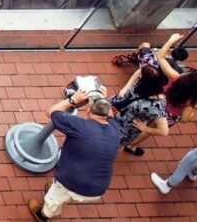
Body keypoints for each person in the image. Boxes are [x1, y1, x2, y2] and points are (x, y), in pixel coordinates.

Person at [27, 88, 119, 220]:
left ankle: (42, 215)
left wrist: (73, 100)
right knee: (67, 194)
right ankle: (62, 194)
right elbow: (108, 112)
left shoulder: (79, 126)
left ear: (88, 110)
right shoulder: (114, 128)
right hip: (98, 190)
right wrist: (102, 100)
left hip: (71, 182)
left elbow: (51, 112)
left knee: (54, 200)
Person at [111, 90, 168, 156]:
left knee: (113, 143)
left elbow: (164, 131)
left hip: (125, 127)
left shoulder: (157, 106)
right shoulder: (146, 89)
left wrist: (144, 128)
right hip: (116, 118)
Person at [156, 33, 197, 125]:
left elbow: (160, 57)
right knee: (152, 129)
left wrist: (171, 40)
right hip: (168, 116)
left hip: (158, 103)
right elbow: (184, 120)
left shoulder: (176, 78)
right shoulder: (191, 100)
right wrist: (190, 114)